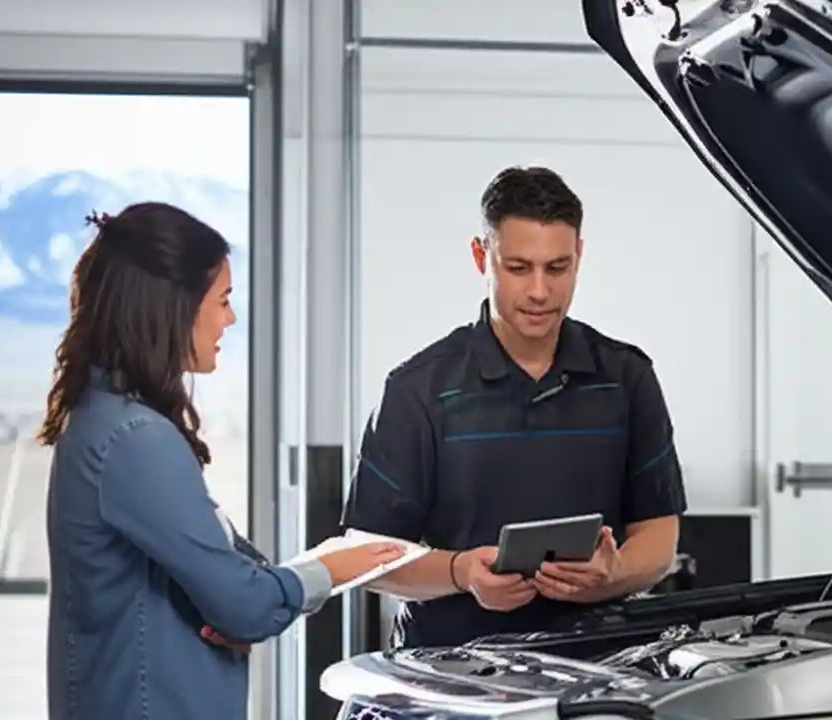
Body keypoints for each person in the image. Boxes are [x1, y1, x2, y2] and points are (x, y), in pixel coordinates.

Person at [38, 202, 405, 719]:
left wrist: (249, 595)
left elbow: (227, 579)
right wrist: (327, 570)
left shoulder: (105, 419)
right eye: (223, 301)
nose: (230, 319)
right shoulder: (135, 439)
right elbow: (245, 605)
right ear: (173, 307)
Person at [342, 166, 688, 647]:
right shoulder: (416, 389)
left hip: (599, 664)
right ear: (481, 256)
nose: (540, 291)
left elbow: (659, 539)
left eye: (558, 268)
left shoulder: (628, 378)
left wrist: (613, 573)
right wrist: (462, 572)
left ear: (579, 256)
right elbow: (366, 555)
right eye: (519, 268)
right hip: (451, 667)